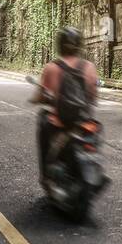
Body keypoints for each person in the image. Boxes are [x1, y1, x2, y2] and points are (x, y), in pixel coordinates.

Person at [30, 27, 98, 180]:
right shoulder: (89, 67)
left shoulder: (51, 67)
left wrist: (37, 99)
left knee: (42, 120)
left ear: (59, 45)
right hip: (84, 121)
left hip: (59, 122)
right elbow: (93, 96)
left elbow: (40, 97)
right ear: (79, 45)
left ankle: (45, 176)